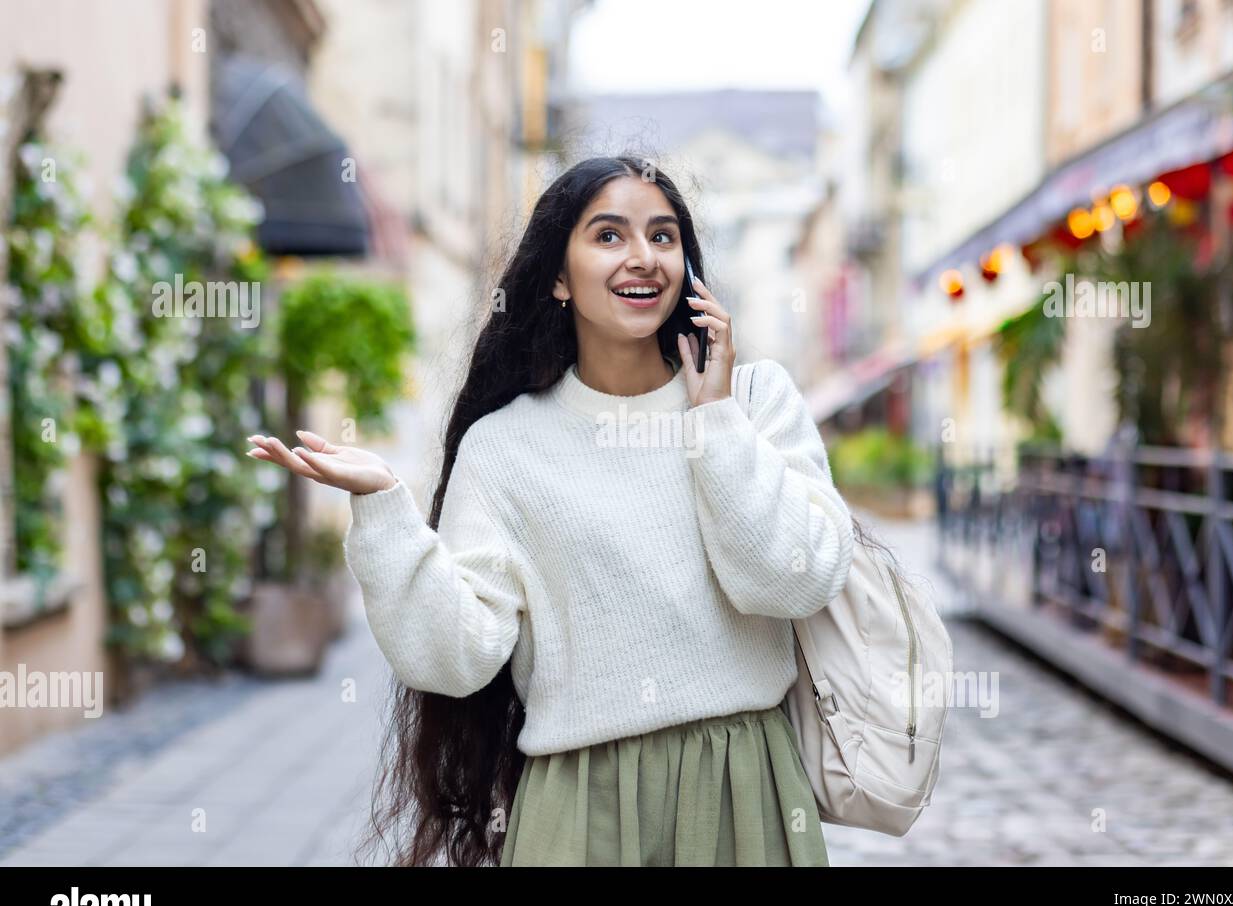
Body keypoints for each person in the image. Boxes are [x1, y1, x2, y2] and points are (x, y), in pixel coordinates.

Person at [246, 155, 856, 867]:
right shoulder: (506, 447)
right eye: (609, 235)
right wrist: (384, 508)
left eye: (663, 237)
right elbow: (457, 654)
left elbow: (793, 579)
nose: (643, 257)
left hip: (742, 790)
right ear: (559, 277)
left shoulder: (756, 402)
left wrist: (715, 419)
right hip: (577, 808)